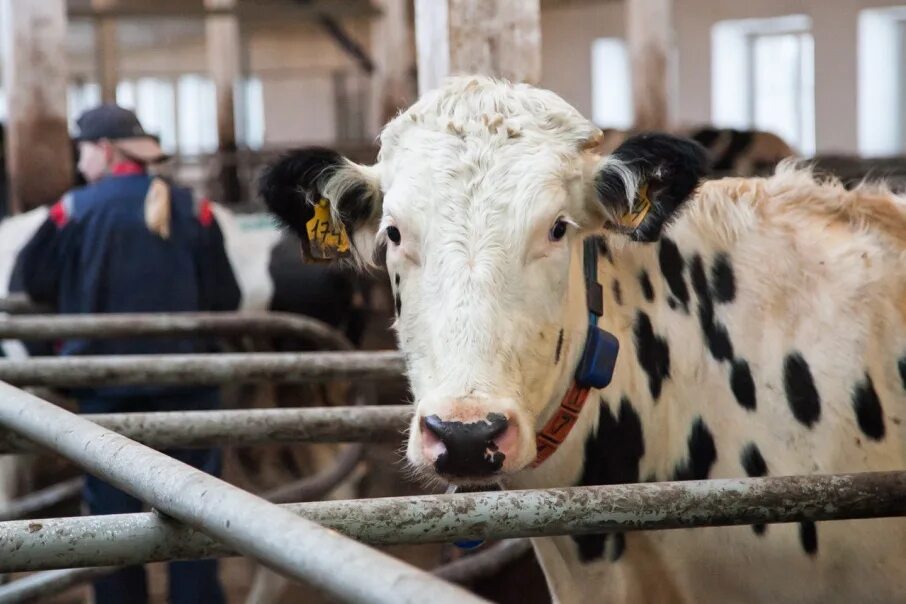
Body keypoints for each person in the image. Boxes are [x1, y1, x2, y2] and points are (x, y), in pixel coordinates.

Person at [16, 105, 239, 604]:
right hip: (191, 393)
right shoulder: (195, 210)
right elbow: (226, 300)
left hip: (108, 398)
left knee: (113, 529)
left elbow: (28, 284)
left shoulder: (72, 211)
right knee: (198, 520)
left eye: (82, 151)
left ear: (105, 151)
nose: (79, 163)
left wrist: (58, 358)